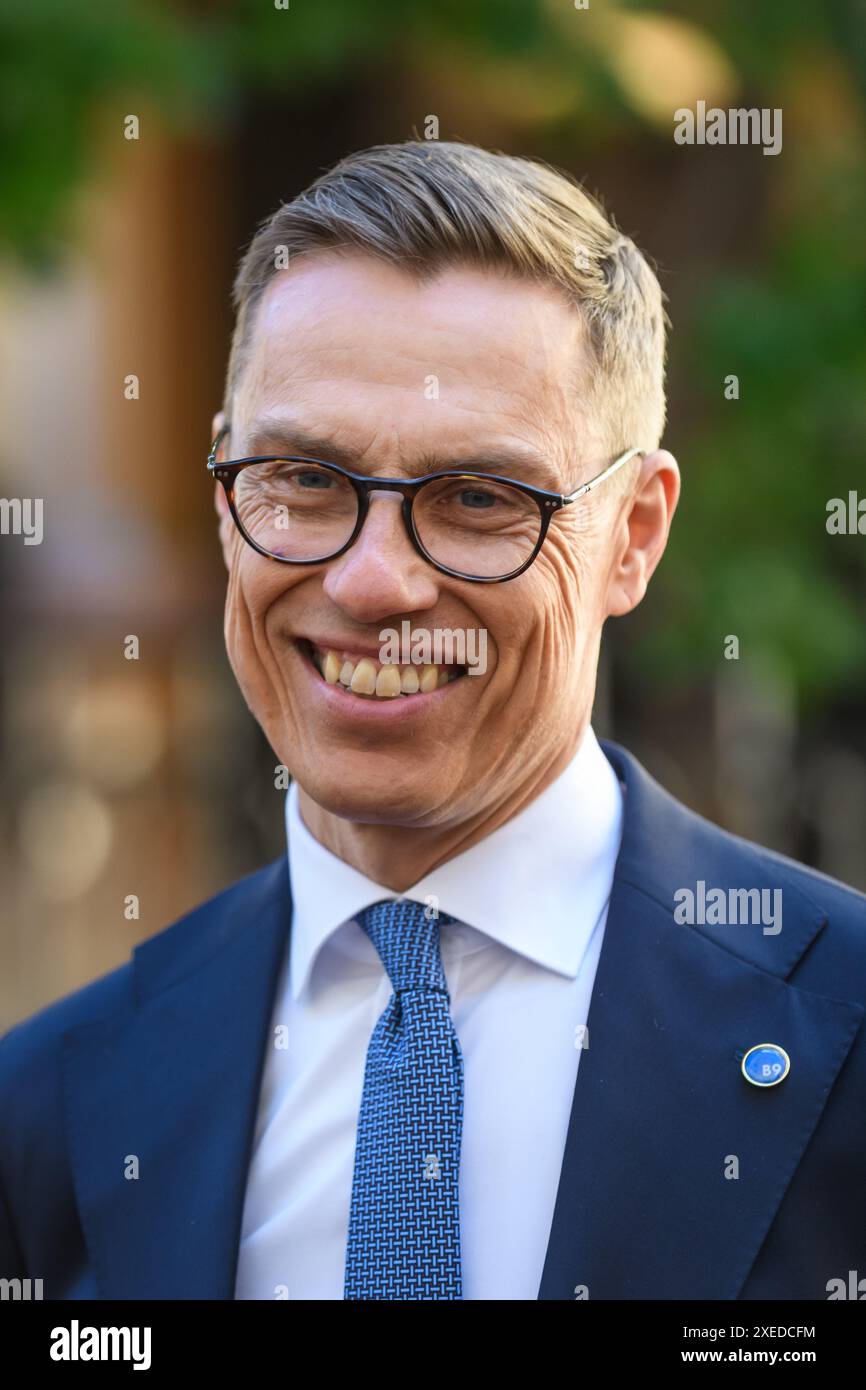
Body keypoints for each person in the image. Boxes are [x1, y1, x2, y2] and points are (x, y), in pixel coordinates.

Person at [1, 141, 864, 1302]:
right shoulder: (52, 1102)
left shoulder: (840, 1033)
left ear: (635, 534)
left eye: (475, 499)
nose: (371, 583)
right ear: (223, 498)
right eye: (303, 478)